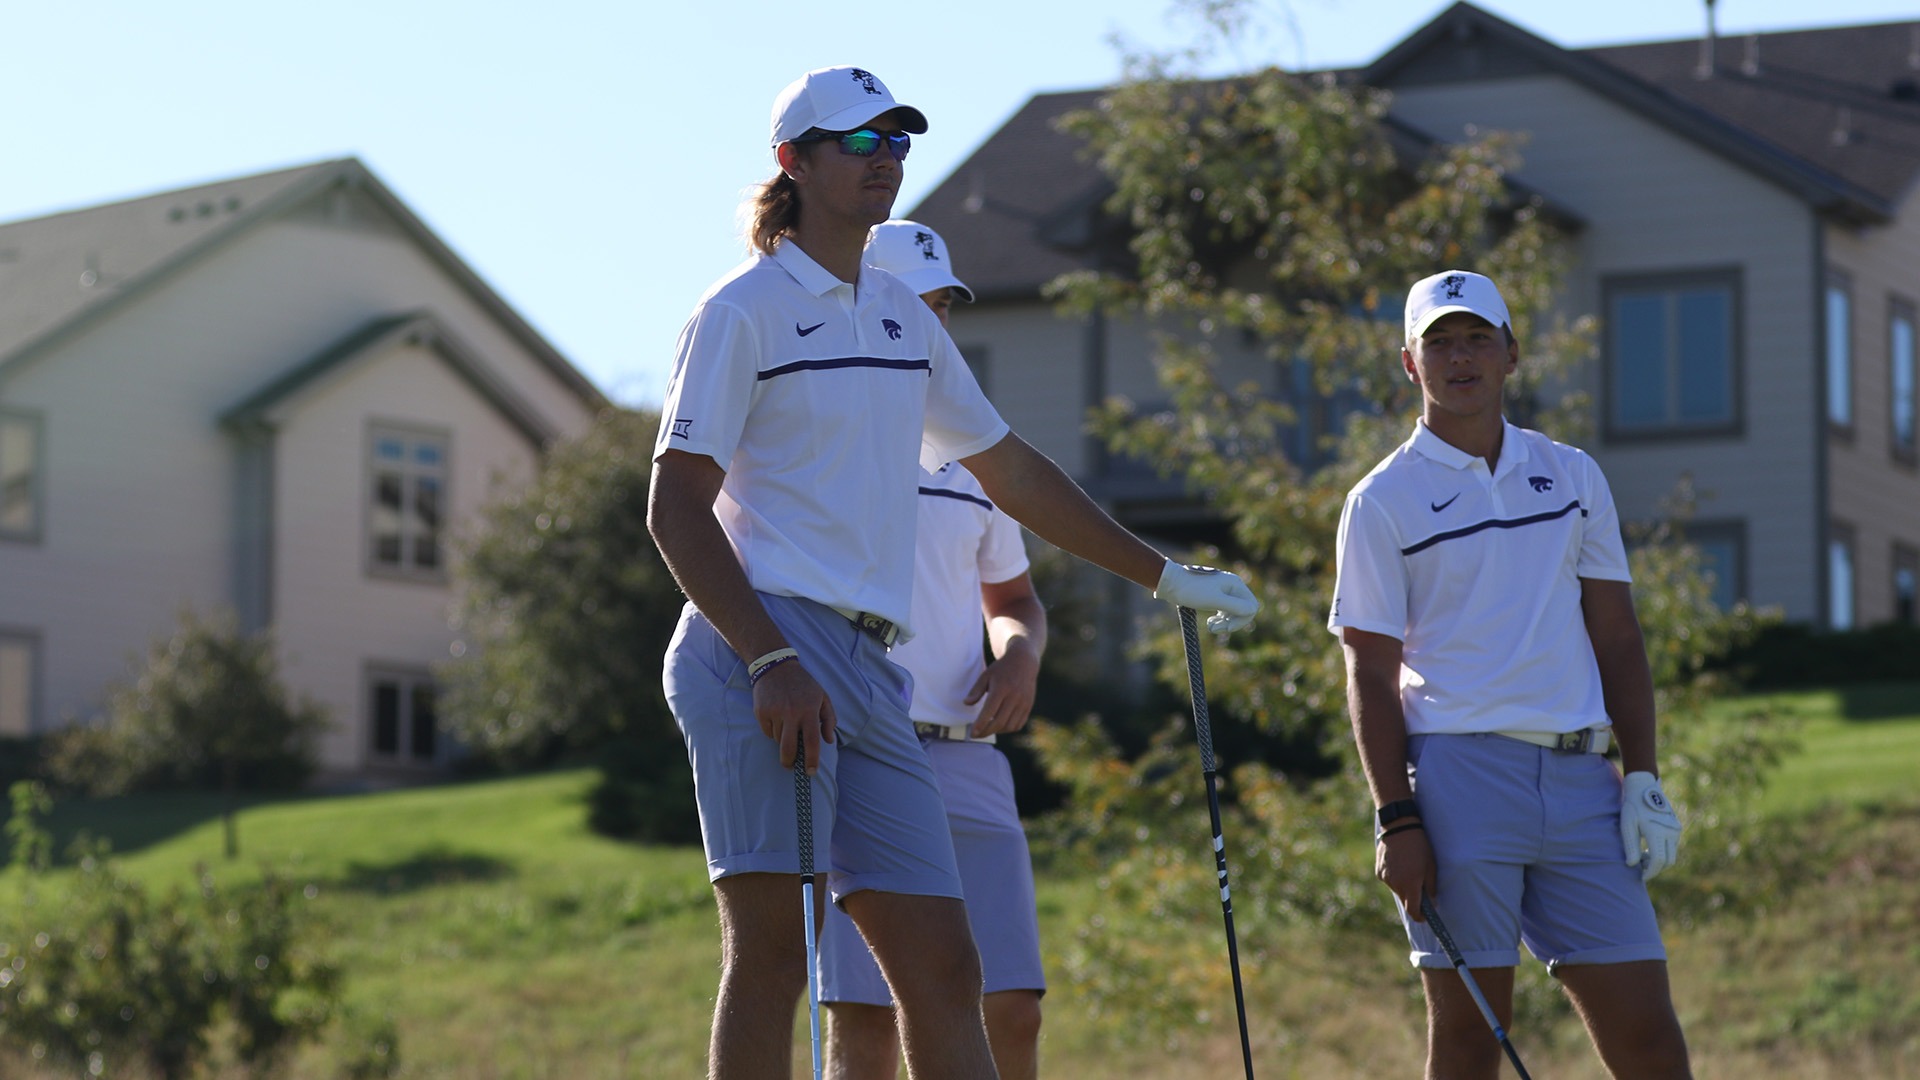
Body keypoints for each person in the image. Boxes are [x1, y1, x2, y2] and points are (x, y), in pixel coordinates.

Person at [648, 66, 1258, 1079]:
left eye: (897, 140)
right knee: (772, 956)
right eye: (859, 141)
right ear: (794, 162)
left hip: (865, 667)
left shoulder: (903, 318)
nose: (885, 158)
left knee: (943, 965)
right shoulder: (741, 310)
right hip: (755, 650)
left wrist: (1162, 576)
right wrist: (767, 660)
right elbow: (675, 509)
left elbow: (1011, 469)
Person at [1326, 270, 1692, 1080]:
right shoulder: (1382, 499)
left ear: (1512, 355)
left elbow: (1617, 636)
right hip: (1458, 779)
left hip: (1582, 781)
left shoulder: (1571, 475)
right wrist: (1396, 819)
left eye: (1477, 339)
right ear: (1409, 365)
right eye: (1440, 343)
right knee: (1469, 1037)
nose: (1461, 358)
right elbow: (1369, 672)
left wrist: (1644, 777)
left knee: (1649, 1036)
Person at [817, 220, 1046, 1080]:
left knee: (1011, 1006)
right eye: (916, 305)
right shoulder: (818, 441)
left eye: (943, 307)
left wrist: (1019, 655)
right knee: (867, 1020)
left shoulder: (976, 451)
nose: (932, 325)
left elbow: (1014, 599)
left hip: (966, 753)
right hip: (858, 751)